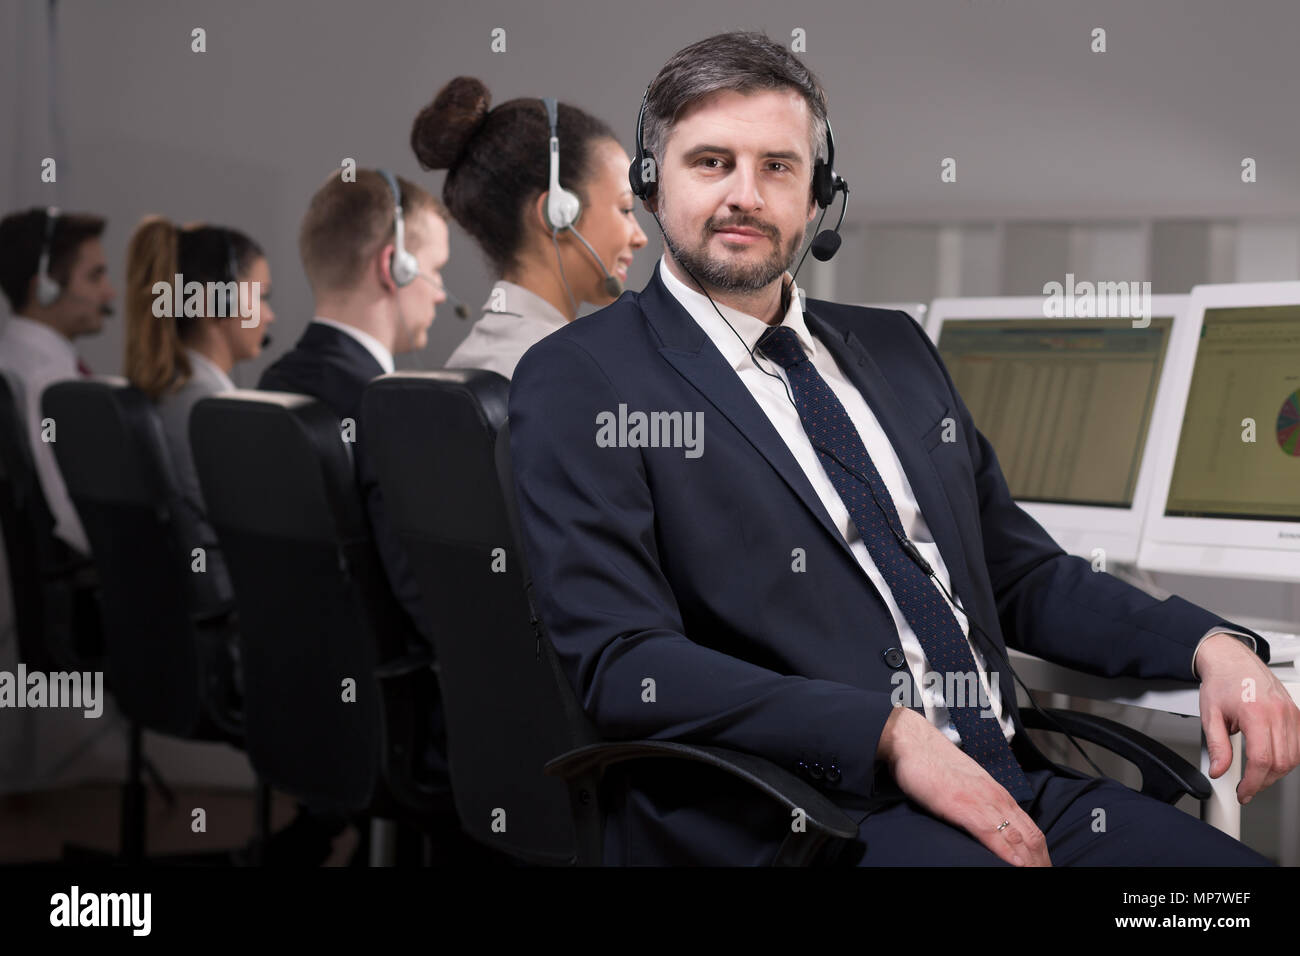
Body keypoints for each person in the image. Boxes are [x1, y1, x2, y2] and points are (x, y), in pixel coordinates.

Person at [505, 31, 1299, 866]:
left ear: (818, 198)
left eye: (778, 166)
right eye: (711, 162)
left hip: (1013, 783)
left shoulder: (893, 349)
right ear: (650, 183)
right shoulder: (583, 377)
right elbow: (625, 661)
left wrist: (1211, 643)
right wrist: (889, 735)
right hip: (809, 816)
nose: (745, 194)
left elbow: (1022, 573)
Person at [411, 76, 647, 379]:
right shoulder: (579, 373)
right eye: (626, 208)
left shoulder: (466, 360)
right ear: (558, 214)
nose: (640, 237)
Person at [122, 216, 276, 613]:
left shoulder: (172, 392)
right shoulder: (207, 410)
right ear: (219, 302)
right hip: (240, 606)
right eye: (260, 297)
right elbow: (261, 530)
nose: (269, 315)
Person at [0, 207, 116, 556]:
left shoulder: (13, 361)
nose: (110, 294)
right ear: (45, 289)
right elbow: (79, 520)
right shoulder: (52, 384)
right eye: (95, 277)